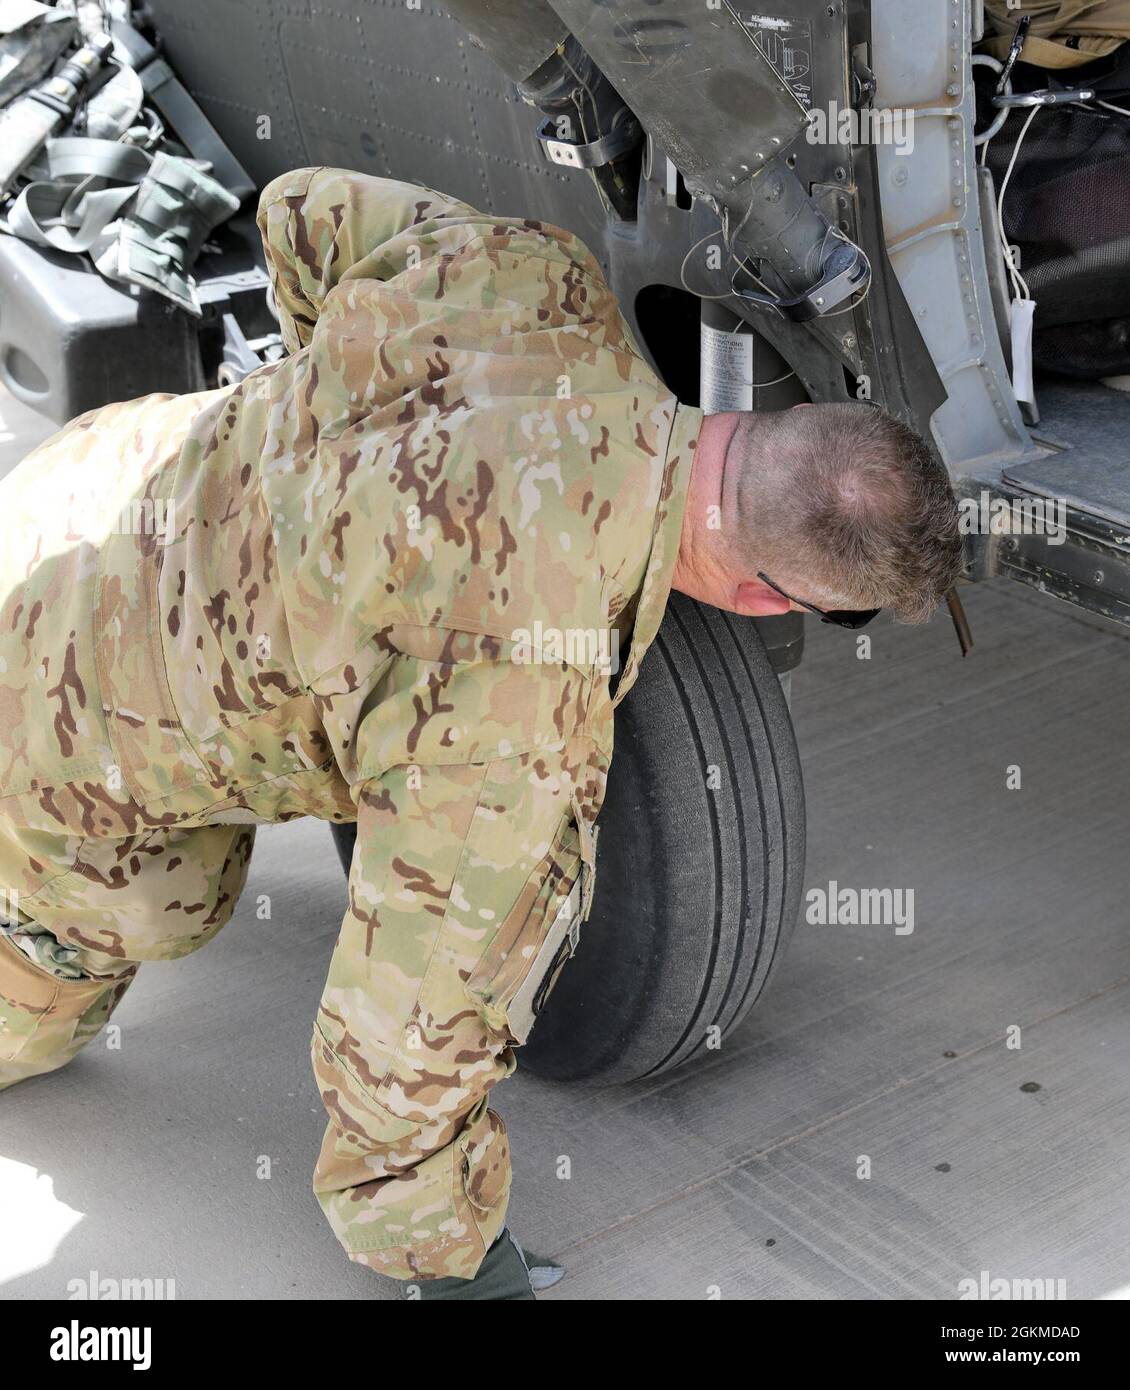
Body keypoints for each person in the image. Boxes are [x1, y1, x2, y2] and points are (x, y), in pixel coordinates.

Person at [0, 167, 962, 1299]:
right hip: (49, 726)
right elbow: (400, 1033)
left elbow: (300, 210)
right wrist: (452, 1260)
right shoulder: (520, 703)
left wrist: (331, 441)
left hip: (87, 481)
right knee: (148, 916)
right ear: (764, 599)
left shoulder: (536, 275)